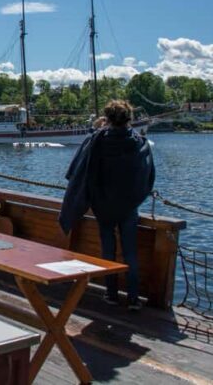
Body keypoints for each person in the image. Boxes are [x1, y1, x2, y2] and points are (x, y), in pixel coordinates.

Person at [60, 100, 155, 310]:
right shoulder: (139, 143)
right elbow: (147, 176)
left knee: (108, 249)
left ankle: (111, 294)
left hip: (102, 205)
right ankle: (133, 299)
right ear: (129, 118)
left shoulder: (96, 141)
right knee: (130, 252)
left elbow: (78, 170)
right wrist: (135, 198)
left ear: (108, 118)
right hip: (129, 206)